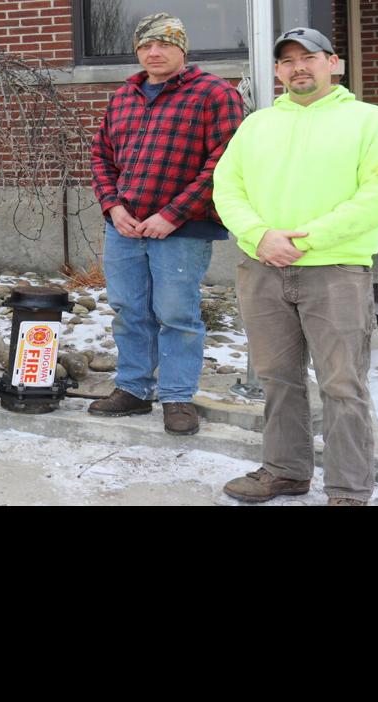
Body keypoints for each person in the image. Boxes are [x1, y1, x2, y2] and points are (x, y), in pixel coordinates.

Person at [210, 27, 378, 507]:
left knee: (342, 383)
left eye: (309, 57)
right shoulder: (256, 125)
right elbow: (226, 187)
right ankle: (285, 470)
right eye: (288, 60)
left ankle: (348, 489)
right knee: (278, 378)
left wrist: (306, 239)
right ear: (277, 71)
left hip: (336, 271)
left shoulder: (369, 121)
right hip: (262, 270)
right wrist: (260, 237)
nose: (299, 67)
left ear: (333, 62)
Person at [86, 12, 245, 436]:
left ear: (182, 49)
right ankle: (134, 389)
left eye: (164, 44)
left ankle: (177, 397)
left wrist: (171, 214)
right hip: (124, 226)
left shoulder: (213, 93)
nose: (154, 52)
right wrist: (113, 207)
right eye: (145, 45)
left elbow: (225, 162)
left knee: (176, 314)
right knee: (128, 309)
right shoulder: (124, 96)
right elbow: (100, 156)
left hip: (183, 229)